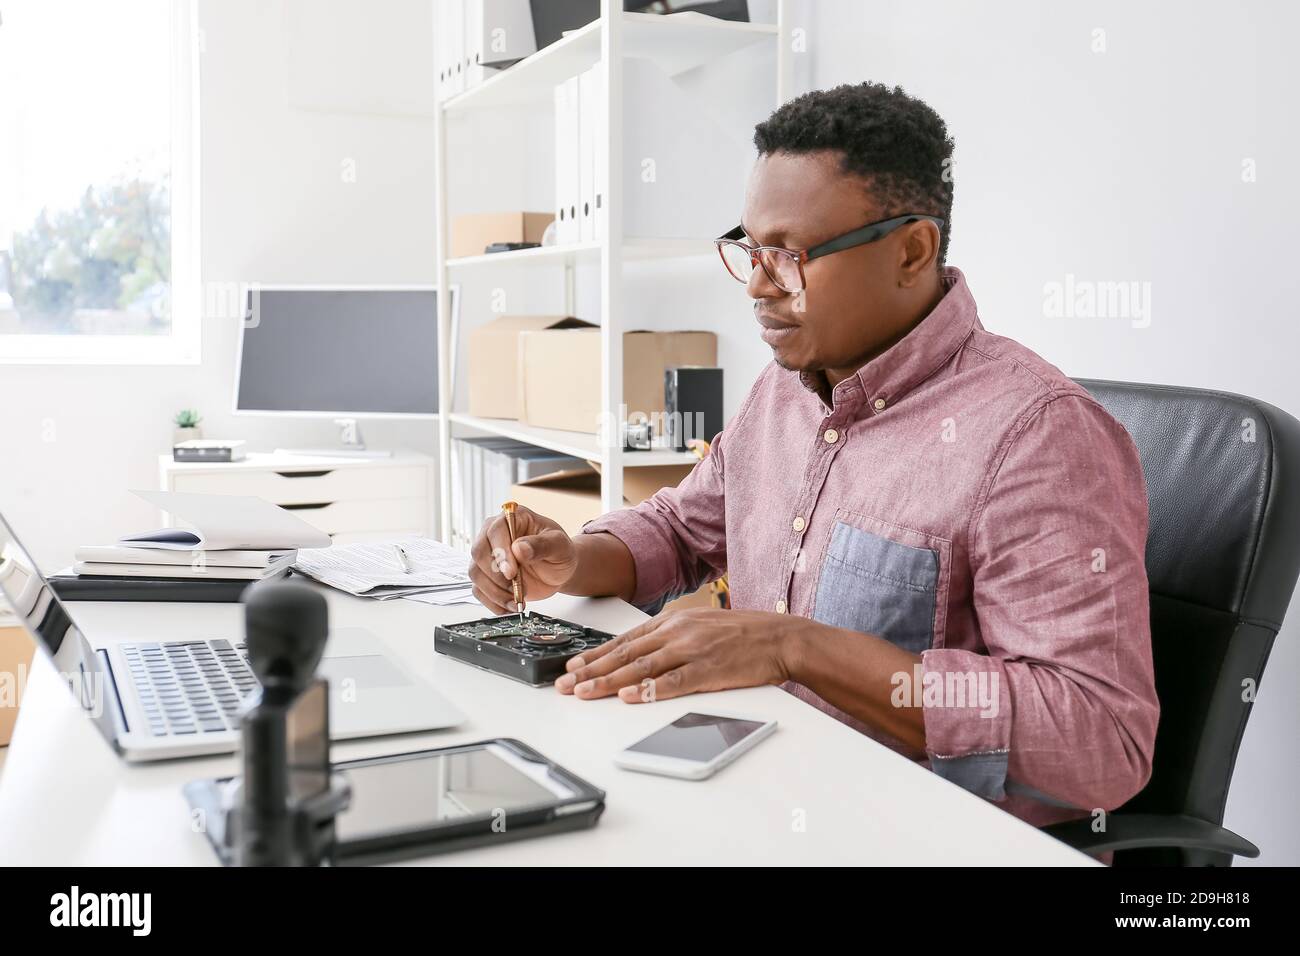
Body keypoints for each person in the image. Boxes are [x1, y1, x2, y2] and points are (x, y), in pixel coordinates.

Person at [469, 82, 1159, 827]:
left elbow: (1102, 740)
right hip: (769, 794)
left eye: (791, 255)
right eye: (750, 249)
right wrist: (573, 557)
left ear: (911, 251)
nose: (758, 286)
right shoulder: (786, 388)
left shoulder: (1040, 435)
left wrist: (799, 648)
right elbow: (682, 528)